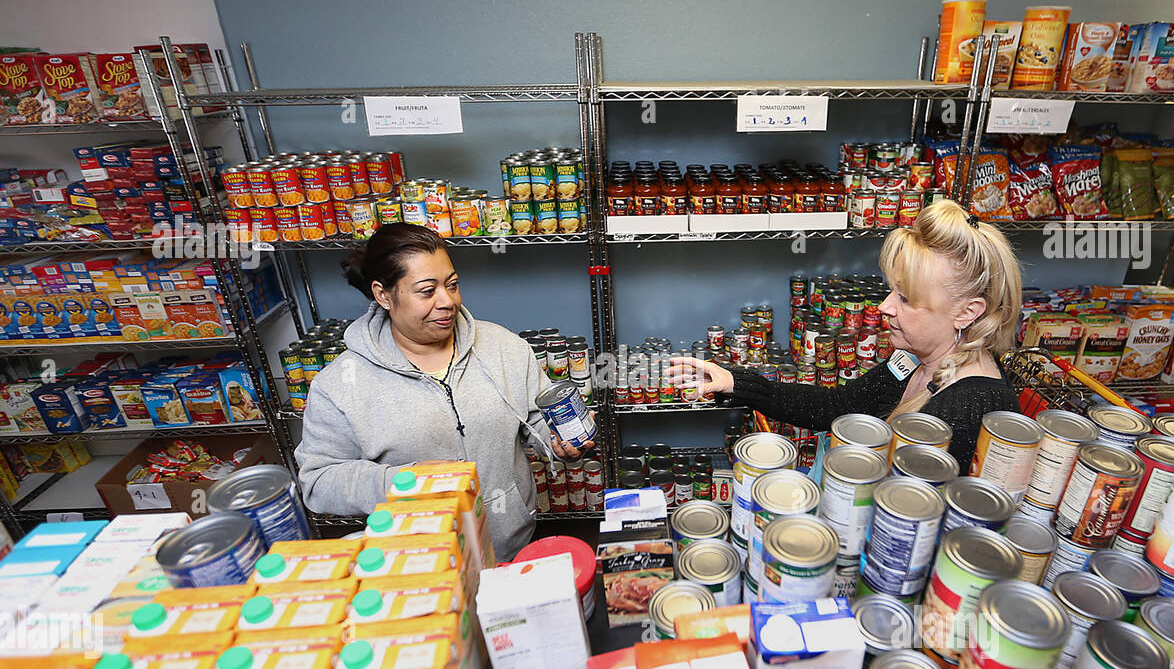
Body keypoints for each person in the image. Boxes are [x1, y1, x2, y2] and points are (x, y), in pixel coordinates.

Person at [295, 223, 593, 560]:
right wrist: (407, 480)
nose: (447, 301)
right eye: (427, 291)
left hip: (511, 546)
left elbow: (535, 420)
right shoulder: (339, 384)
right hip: (419, 561)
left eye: (452, 285)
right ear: (383, 295)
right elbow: (319, 481)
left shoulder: (503, 347)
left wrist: (558, 441)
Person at [667, 200, 1022, 471]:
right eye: (891, 291)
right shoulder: (914, 359)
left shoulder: (973, 408)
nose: (884, 308)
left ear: (967, 312)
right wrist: (736, 383)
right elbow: (839, 407)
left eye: (905, 299)